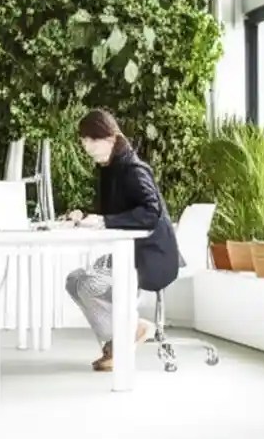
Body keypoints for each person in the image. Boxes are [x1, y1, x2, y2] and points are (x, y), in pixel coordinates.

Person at [64, 109, 181, 372]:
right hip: (128, 253)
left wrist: (105, 222)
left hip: (151, 257)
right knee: (74, 280)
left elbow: (151, 213)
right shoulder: (110, 170)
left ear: (109, 137)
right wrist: (83, 213)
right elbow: (111, 210)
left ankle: (128, 333)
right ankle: (123, 336)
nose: (86, 146)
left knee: (90, 284)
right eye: (83, 141)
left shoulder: (133, 169)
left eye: (90, 140)